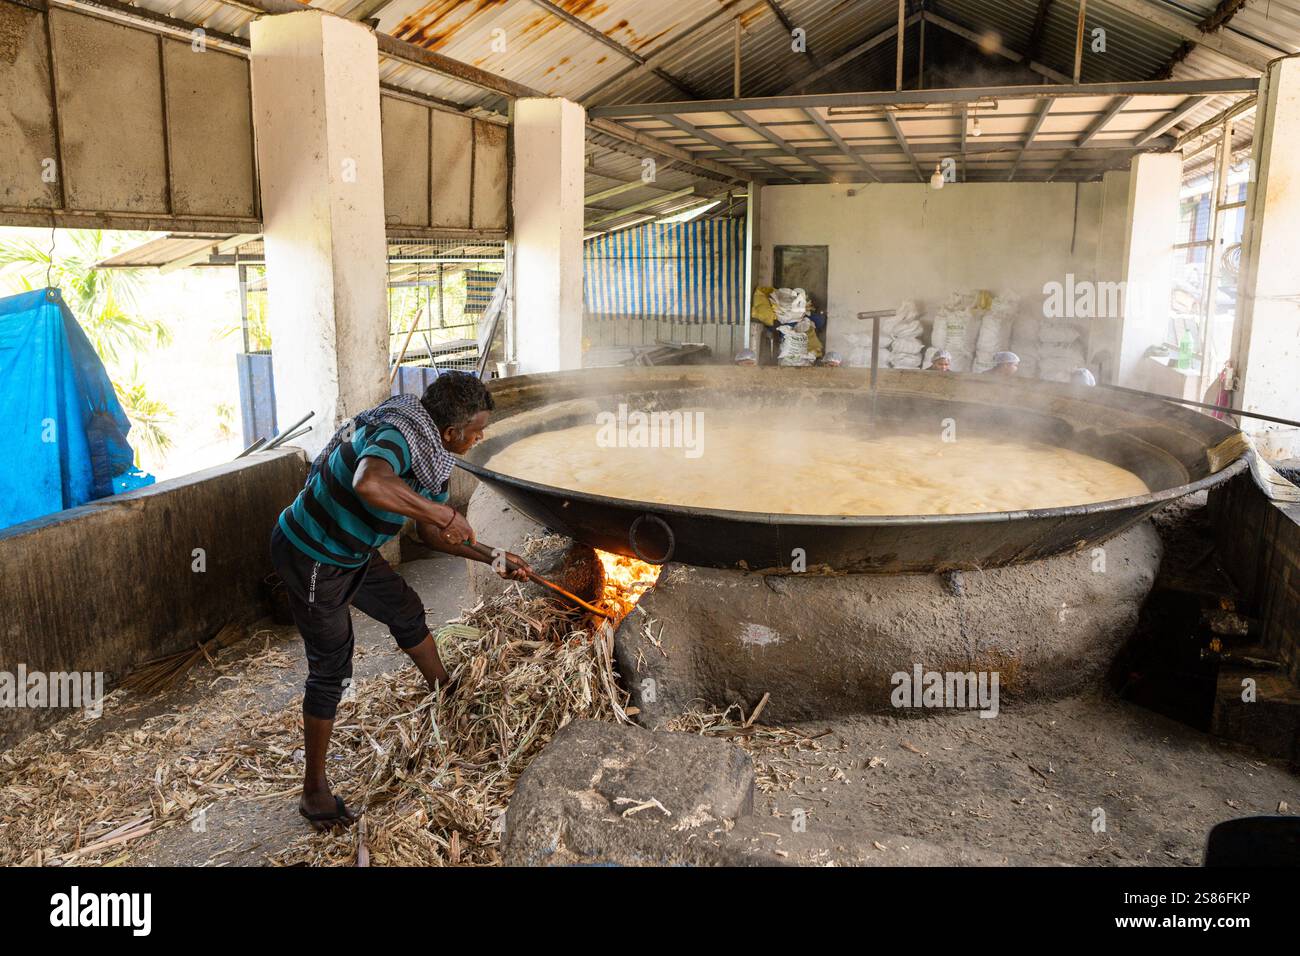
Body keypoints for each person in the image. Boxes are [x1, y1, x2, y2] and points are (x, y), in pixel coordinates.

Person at [270, 372, 530, 830]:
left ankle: (445, 694)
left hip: (353, 550)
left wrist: (494, 557)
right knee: (332, 668)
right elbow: (369, 482)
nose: (481, 436)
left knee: (406, 610)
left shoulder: (433, 457)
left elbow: (435, 533)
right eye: (477, 430)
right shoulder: (398, 433)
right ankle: (314, 793)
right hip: (313, 552)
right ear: (451, 432)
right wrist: (445, 512)